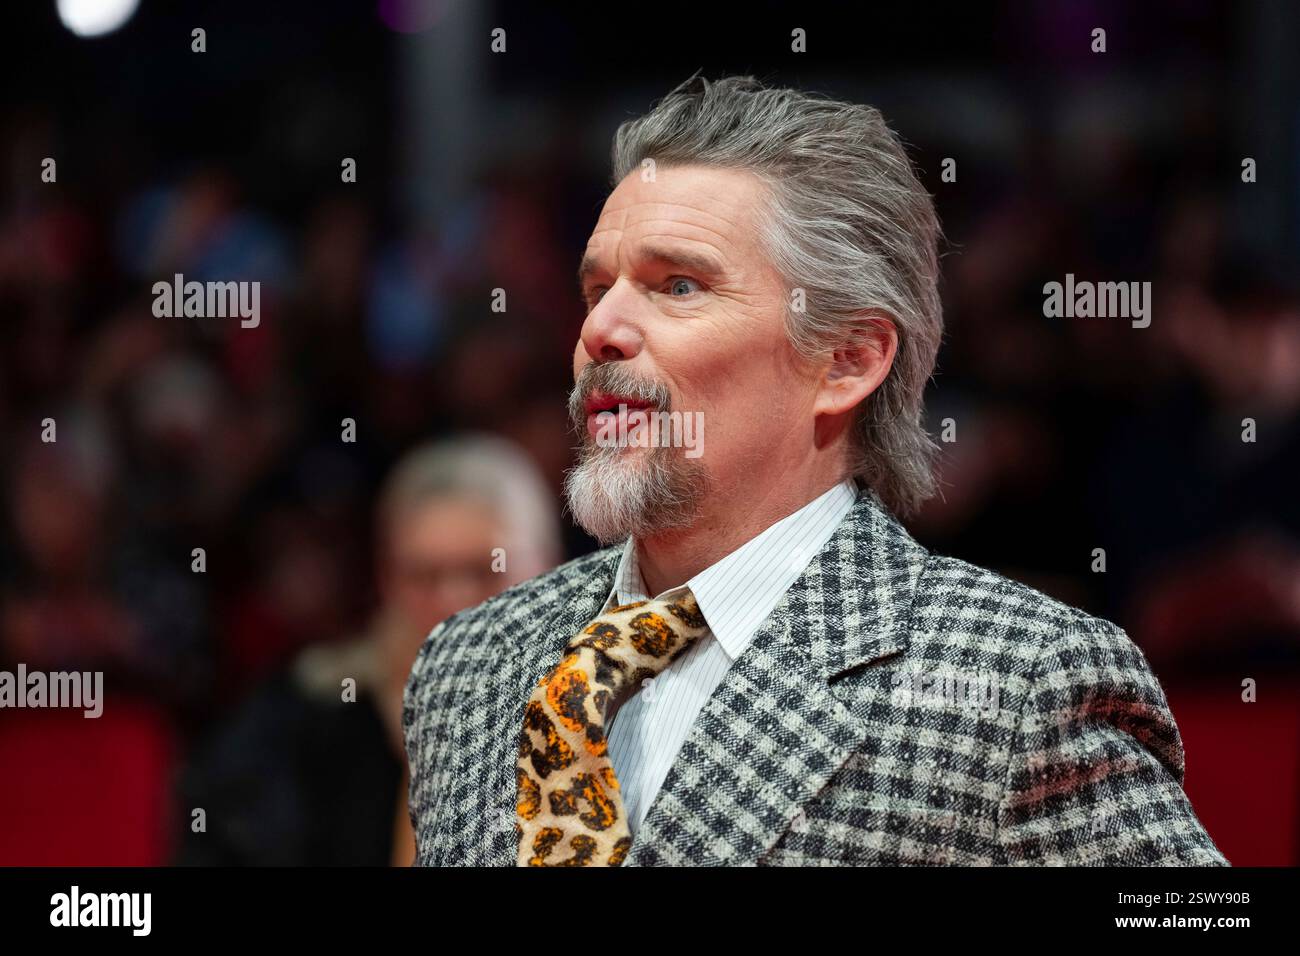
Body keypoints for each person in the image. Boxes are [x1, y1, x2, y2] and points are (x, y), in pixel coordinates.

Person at [403, 75, 1229, 866]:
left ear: (847, 359)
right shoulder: (469, 663)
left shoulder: (1015, 685)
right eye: (596, 289)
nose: (602, 330)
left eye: (678, 285)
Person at [176, 434, 560, 865]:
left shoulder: (611, 710)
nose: (453, 601)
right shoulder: (302, 718)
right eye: (424, 575)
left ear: (547, 565)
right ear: (386, 578)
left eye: (484, 569)